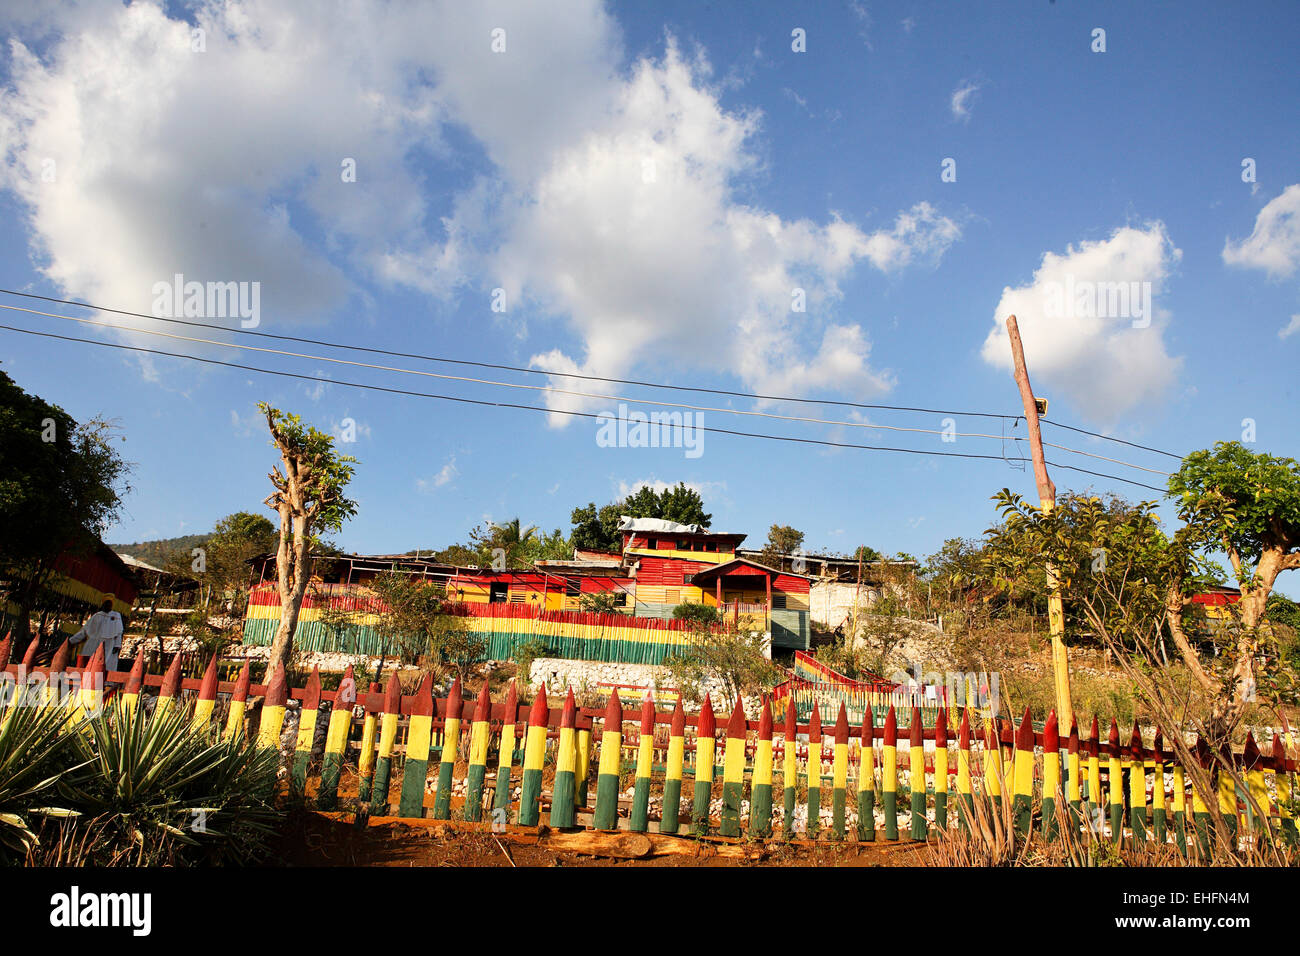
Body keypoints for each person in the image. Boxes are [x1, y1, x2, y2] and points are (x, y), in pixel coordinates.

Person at [71, 596, 125, 673]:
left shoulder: (116, 615)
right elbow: (85, 630)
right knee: (89, 662)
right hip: (94, 642)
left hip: (109, 644)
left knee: (107, 664)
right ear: (103, 604)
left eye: (110, 603)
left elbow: (119, 632)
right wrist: (71, 641)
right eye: (106, 603)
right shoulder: (97, 616)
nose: (108, 605)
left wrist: (117, 645)